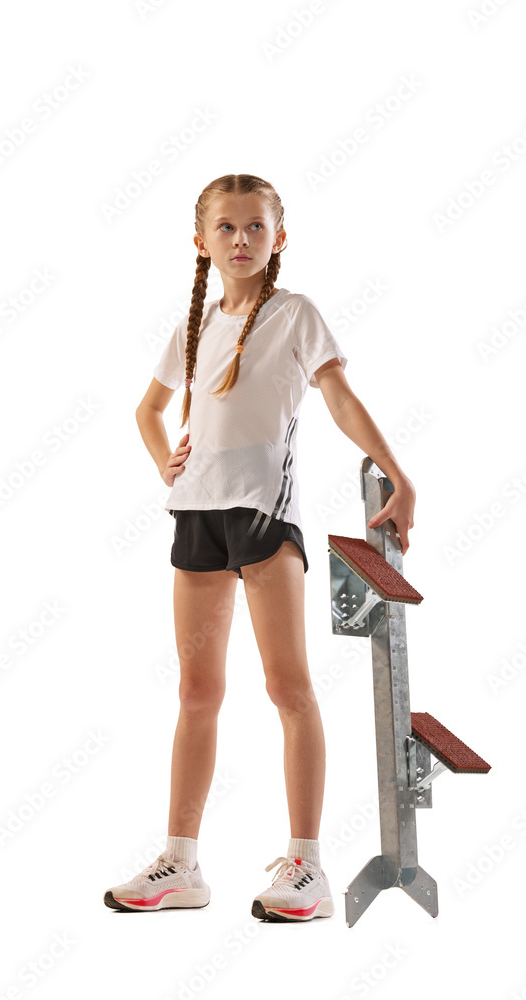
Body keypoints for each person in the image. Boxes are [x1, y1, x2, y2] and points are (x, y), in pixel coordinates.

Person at [103, 174, 416, 922]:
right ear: (201, 242)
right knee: (195, 692)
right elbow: (147, 411)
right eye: (225, 228)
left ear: (277, 239)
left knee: (287, 688)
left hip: (264, 522)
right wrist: (162, 462)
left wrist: (398, 472)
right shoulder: (193, 327)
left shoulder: (294, 315)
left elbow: (337, 395)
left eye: (253, 227)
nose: (239, 240)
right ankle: (180, 861)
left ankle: (305, 865)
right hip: (197, 517)